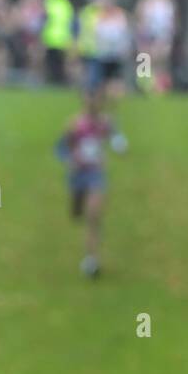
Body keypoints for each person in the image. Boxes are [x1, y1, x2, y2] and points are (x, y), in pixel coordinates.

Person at [55, 89, 127, 277]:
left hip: (96, 173)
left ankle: (91, 260)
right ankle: (79, 208)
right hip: (78, 174)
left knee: (93, 216)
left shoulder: (105, 123)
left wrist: (119, 145)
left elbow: (117, 140)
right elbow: (61, 148)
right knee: (77, 212)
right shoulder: (75, 124)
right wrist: (70, 159)